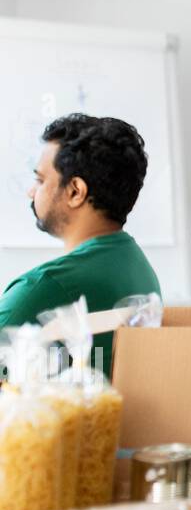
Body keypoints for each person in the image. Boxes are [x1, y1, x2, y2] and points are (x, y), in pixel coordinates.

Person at [0, 114, 161, 375]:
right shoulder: (137, 266)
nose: (31, 192)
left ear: (75, 191)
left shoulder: (42, 287)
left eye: (40, 180)